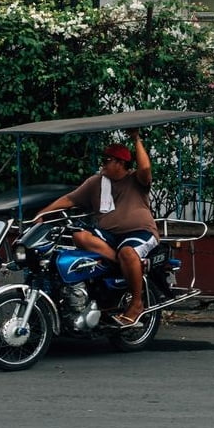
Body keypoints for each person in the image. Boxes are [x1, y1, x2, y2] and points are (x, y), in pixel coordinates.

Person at [39, 131, 159, 326]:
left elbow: (145, 167)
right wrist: (42, 214)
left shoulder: (135, 179)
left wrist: (136, 139)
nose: (103, 164)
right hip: (109, 235)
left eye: (107, 160)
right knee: (79, 236)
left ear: (120, 163)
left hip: (139, 232)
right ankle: (118, 265)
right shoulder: (96, 182)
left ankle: (137, 303)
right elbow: (69, 199)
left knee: (127, 252)